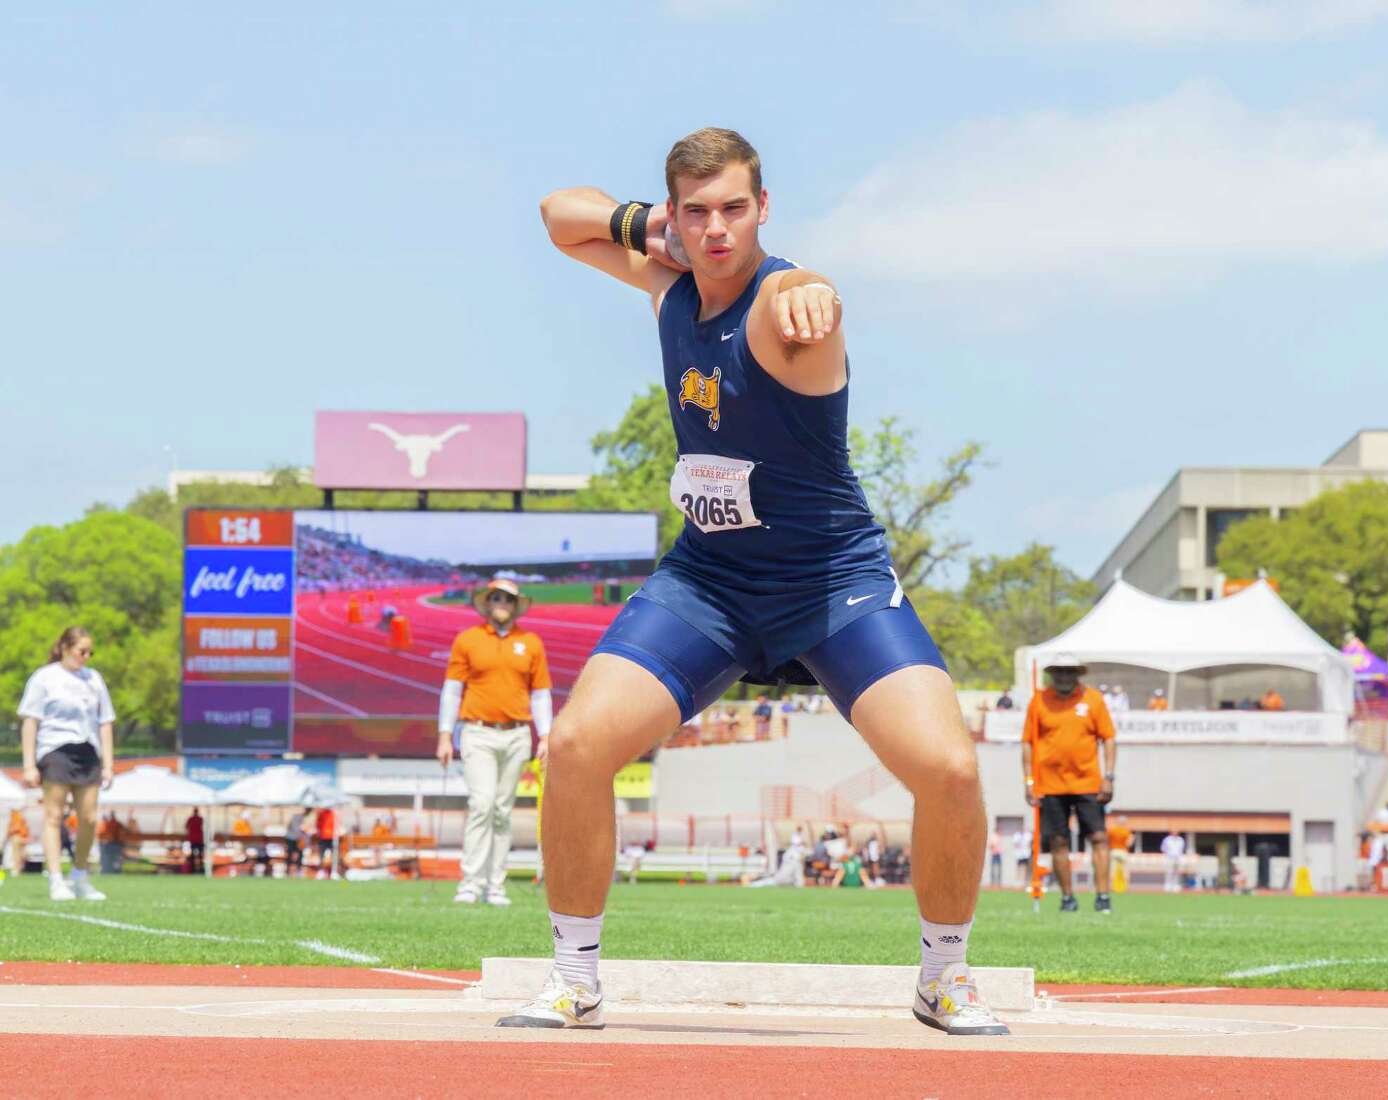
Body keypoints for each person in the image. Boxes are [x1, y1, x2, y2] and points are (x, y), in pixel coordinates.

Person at [506, 128, 1007, 1037]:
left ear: (764, 208)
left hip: (831, 582)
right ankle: (574, 979)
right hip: (710, 581)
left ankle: (945, 977)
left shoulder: (785, 300)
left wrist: (814, 293)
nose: (717, 229)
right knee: (575, 746)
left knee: (949, 769)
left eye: (735, 208)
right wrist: (645, 227)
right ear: (675, 215)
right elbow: (558, 216)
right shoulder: (669, 286)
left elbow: (806, 294)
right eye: (697, 212)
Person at [437, 577, 554, 907]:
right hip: (478, 732)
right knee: (482, 804)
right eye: (496, 597)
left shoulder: (530, 643)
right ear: (487, 603)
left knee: (502, 811)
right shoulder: (468, 639)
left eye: (508, 599)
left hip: (517, 734)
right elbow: (452, 691)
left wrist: (546, 735)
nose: (502, 603)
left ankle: (495, 885)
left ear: (516, 605)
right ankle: (470, 883)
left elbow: (540, 693)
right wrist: (444, 735)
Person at [17, 626, 114, 902]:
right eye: (82, 651)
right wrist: (29, 764)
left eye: (90, 652)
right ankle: (56, 880)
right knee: (53, 816)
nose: (86, 657)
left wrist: (108, 764)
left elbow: (105, 722)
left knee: (89, 818)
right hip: (55, 750)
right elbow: (30, 721)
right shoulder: (44, 678)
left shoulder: (94, 679)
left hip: (88, 750)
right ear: (64, 648)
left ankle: (80, 876)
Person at [1021, 654, 1117, 913]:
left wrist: (1109, 776)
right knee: (1058, 841)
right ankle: (1067, 898)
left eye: (1069, 672)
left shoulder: (1093, 699)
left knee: (1098, 837)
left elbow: (1108, 738)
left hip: (1088, 782)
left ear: (1077, 674)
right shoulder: (1038, 701)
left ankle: (1103, 897)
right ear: (1052, 674)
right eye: (1059, 672)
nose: (1064, 676)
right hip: (1050, 785)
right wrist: (1029, 781)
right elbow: (1028, 742)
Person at [1105, 815, 1133, 891]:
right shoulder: (1127, 831)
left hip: (1113, 851)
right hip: (1123, 851)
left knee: (1112, 869)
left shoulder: (1112, 830)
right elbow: (1129, 843)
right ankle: (1127, 887)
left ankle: (1111, 887)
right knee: (1125, 869)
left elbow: (1106, 840)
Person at [5, 807, 30, 875]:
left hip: (24, 837)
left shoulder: (20, 815)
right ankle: (17, 868)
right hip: (19, 836)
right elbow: (12, 828)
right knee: (17, 851)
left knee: (21, 853)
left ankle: (18, 868)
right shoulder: (15, 815)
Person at [314, 805, 337, 879]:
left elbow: (318, 825)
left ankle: (327, 871)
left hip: (327, 837)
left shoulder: (327, 814)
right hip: (328, 837)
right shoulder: (331, 814)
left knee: (324, 855)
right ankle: (327, 871)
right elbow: (319, 824)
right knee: (329, 855)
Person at [284, 809, 307, 875]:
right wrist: (302, 834)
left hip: (295, 838)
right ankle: (289, 870)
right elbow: (296, 828)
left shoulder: (300, 817)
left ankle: (297, 869)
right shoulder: (297, 817)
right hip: (291, 838)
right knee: (291, 853)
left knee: (298, 853)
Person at [185, 807, 206, 875]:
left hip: (195, 839)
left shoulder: (192, 819)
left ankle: (194, 869)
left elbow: (186, 827)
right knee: (199, 855)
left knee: (196, 856)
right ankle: (199, 869)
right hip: (198, 839)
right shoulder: (199, 819)